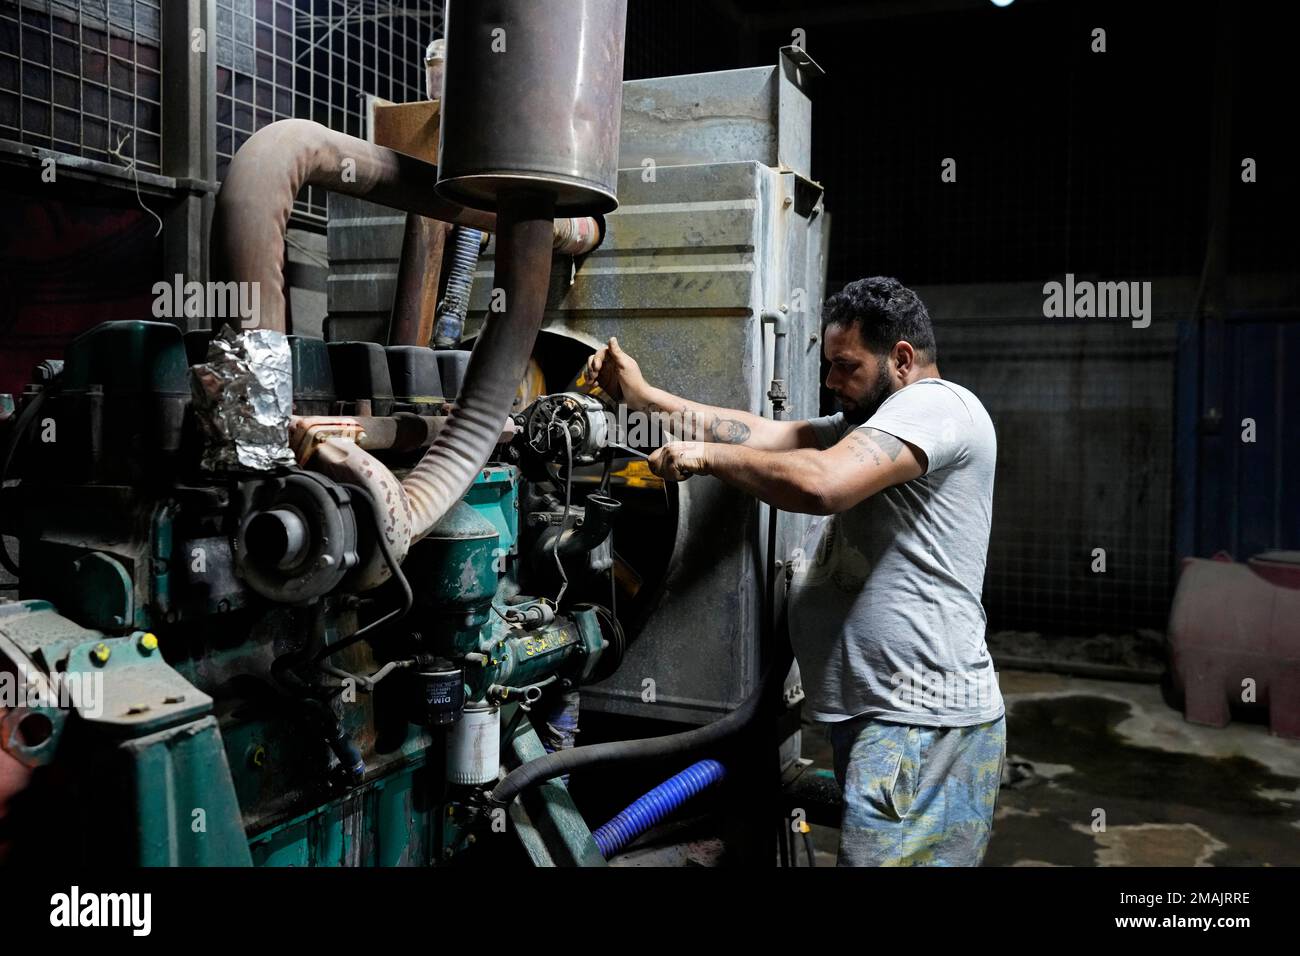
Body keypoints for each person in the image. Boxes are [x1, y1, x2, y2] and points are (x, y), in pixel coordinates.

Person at [584, 276, 1004, 866]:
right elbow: (762, 434)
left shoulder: (936, 405)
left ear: (903, 359)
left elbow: (822, 484)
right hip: (893, 717)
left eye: (846, 366)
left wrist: (707, 458)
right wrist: (644, 397)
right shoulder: (873, 423)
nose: (830, 381)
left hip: (921, 721)